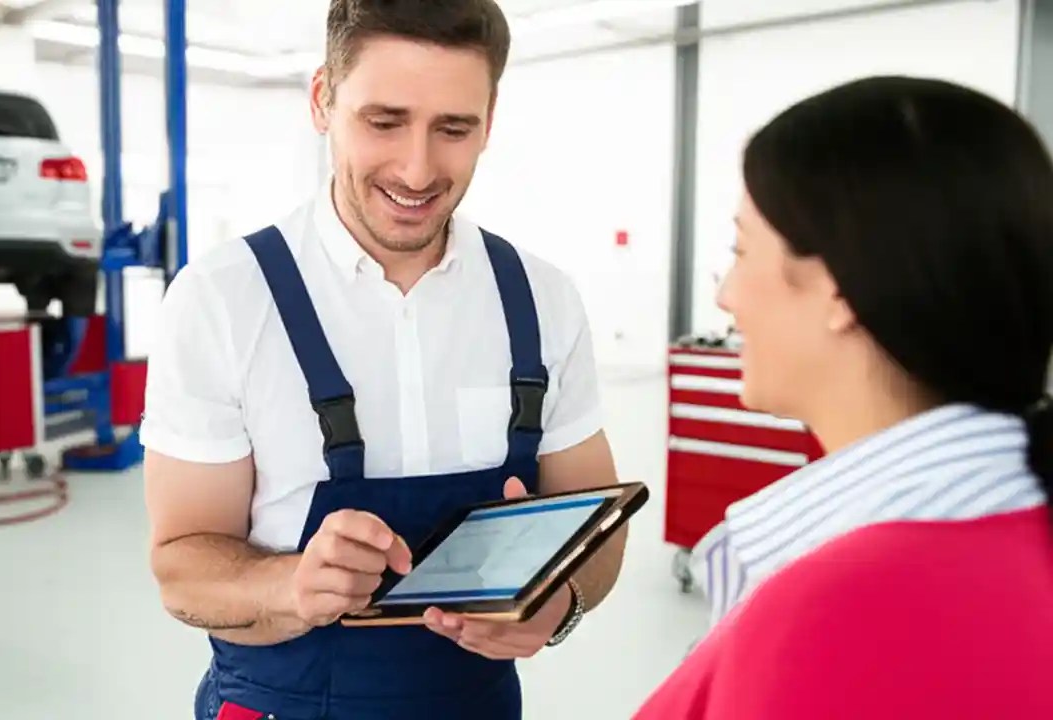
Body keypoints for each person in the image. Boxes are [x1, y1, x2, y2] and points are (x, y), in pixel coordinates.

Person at [139, 2, 626, 718]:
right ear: (322, 102)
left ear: (489, 121)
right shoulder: (221, 300)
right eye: (384, 121)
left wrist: (560, 600)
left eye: (453, 128)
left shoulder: (542, 300)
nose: (417, 168)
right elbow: (181, 568)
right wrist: (290, 586)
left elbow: (598, 537)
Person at [635, 75, 1053, 718]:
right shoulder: (1015, 524)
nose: (726, 297)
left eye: (741, 251)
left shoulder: (846, 605)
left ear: (839, 291)